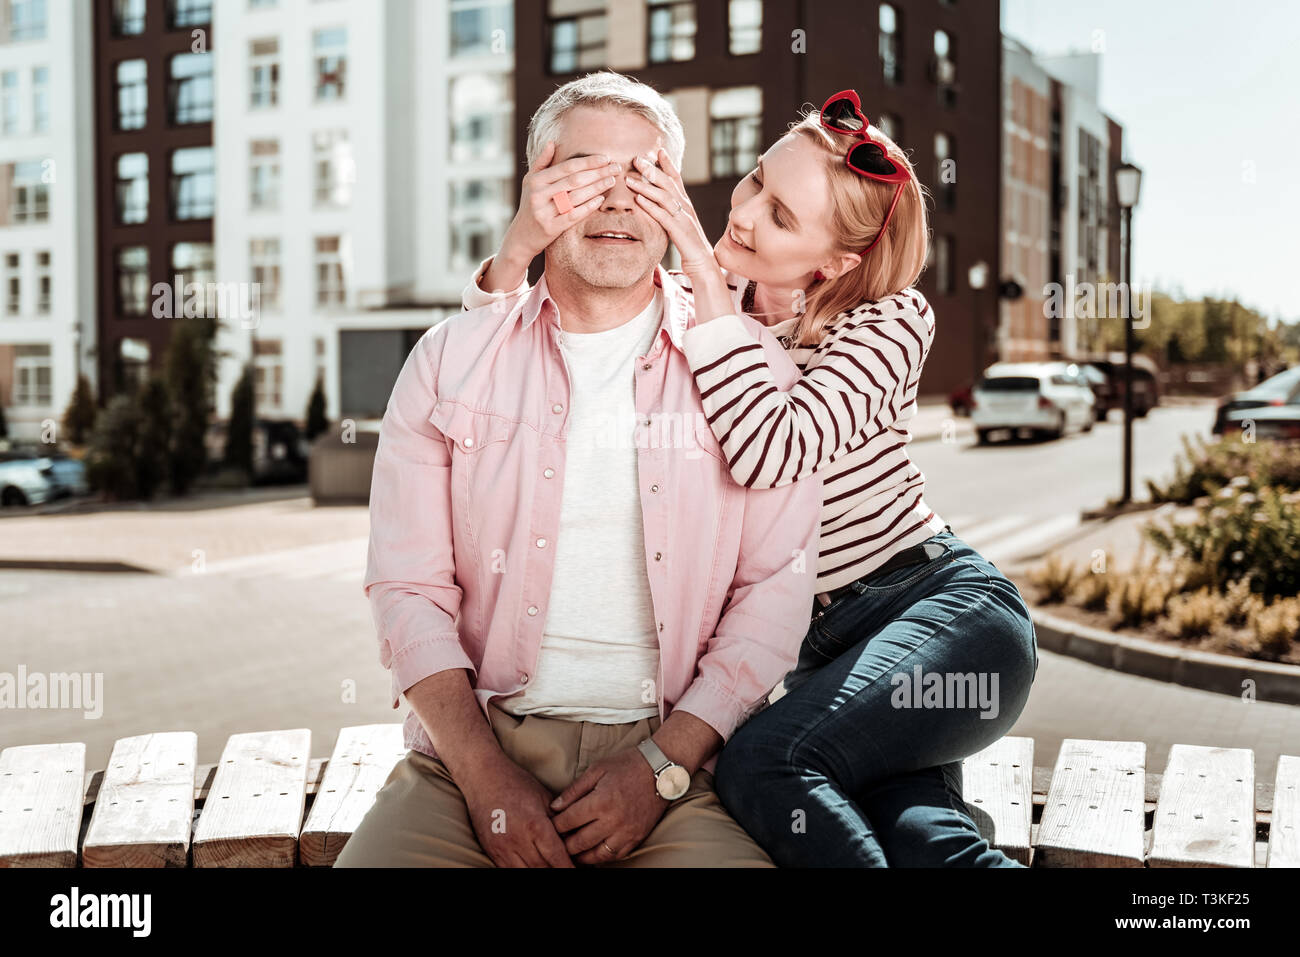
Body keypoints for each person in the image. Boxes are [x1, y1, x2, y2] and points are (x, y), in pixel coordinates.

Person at [464, 86, 1039, 867]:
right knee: (923, 838)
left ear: (838, 259)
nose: (744, 210)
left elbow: (773, 449)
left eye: (780, 216)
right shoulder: (714, 299)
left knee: (765, 765)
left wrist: (701, 273)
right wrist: (520, 247)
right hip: (819, 654)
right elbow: (495, 358)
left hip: (939, 613)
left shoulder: (889, 320)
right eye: (757, 182)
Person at [335, 71, 821, 868]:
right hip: (472, 751)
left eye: (646, 176)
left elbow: (773, 594)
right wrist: (486, 776)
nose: (619, 200)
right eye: (587, 174)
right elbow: (407, 590)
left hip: (678, 759)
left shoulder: (750, 373)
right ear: (537, 187)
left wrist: (661, 767)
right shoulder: (445, 361)